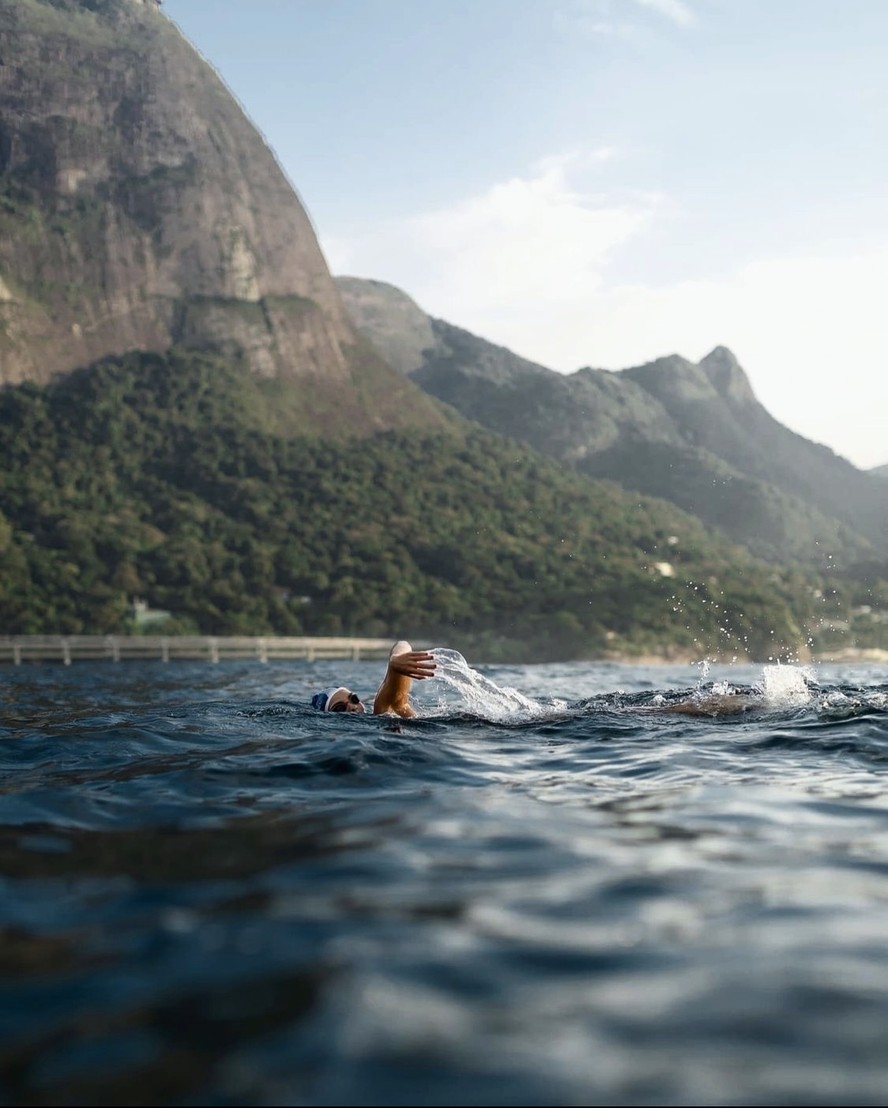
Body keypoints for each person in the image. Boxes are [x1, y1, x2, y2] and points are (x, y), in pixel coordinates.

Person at [311, 640, 436, 718]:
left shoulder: (379, 712)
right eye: (339, 708)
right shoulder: (379, 713)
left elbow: (402, 644)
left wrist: (396, 657)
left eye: (354, 699)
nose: (351, 706)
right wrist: (394, 667)